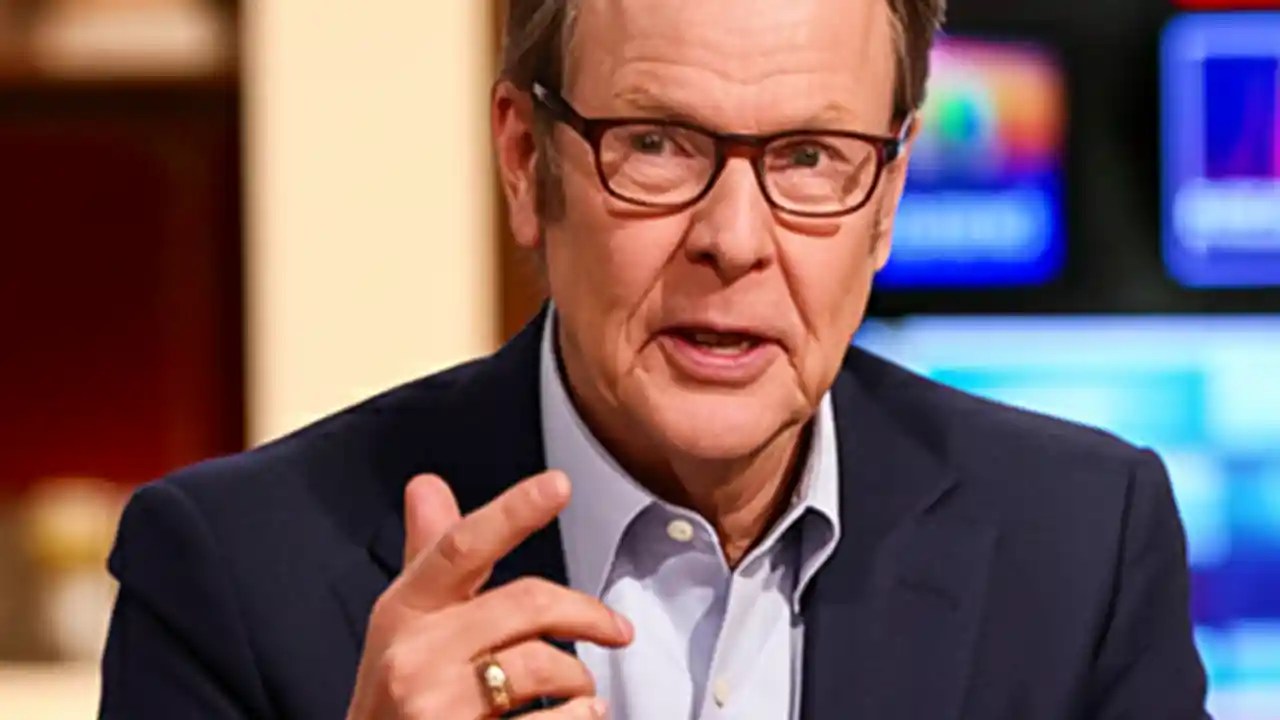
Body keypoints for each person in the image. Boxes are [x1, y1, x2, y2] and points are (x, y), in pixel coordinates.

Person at [99, 0, 1210, 718]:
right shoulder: (228, 578)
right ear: (526, 161)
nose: (732, 237)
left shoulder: (1080, 544)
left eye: (811, 156)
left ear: (887, 200)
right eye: (657, 144)